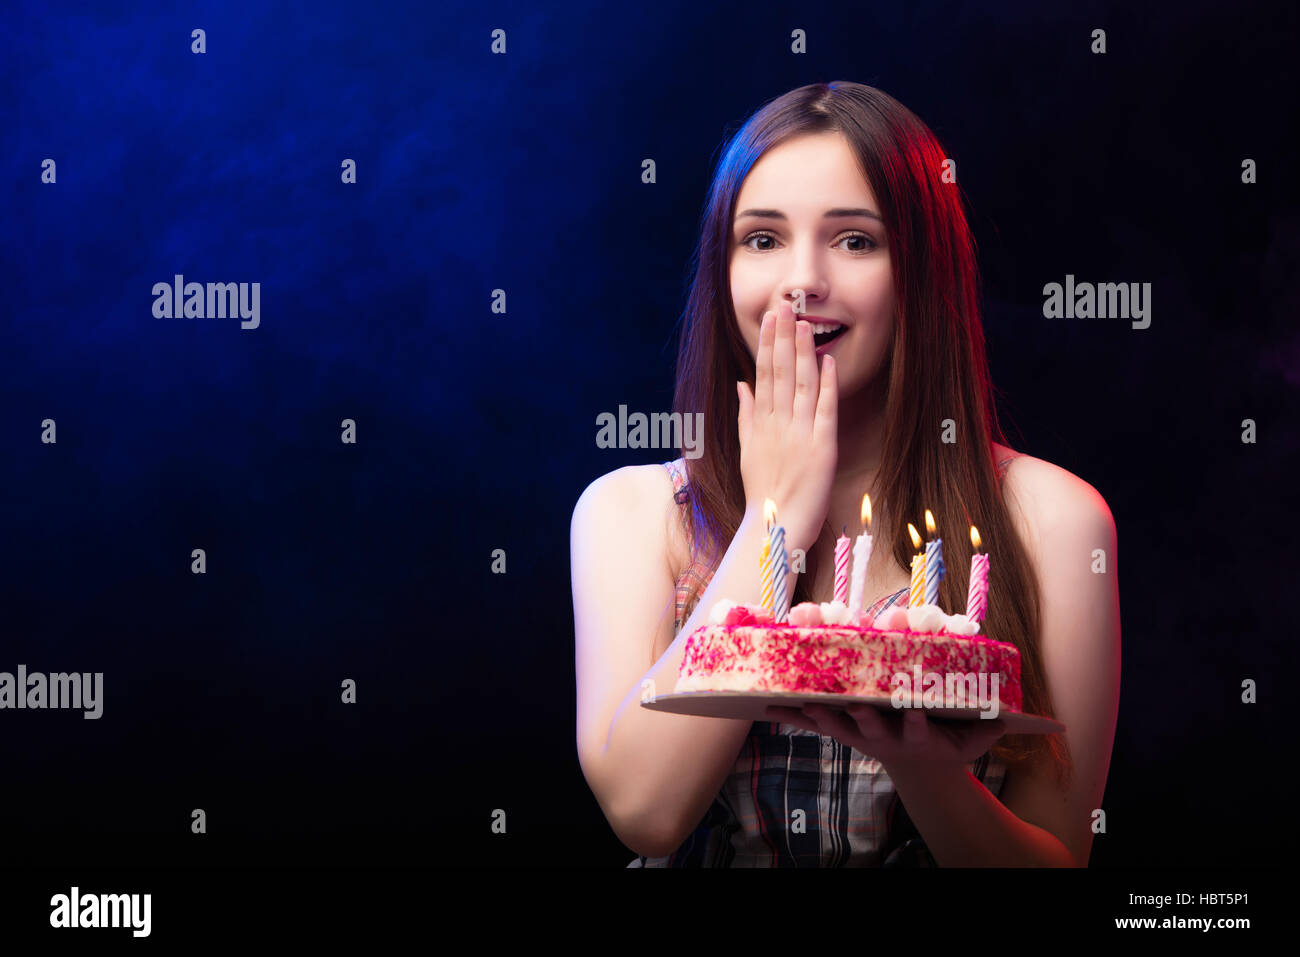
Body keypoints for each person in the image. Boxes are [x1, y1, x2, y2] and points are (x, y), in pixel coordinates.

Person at [571, 81, 1120, 866]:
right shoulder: (633, 513)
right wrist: (776, 516)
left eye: (855, 241)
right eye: (762, 239)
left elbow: (1057, 858)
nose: (803, 280)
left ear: (919, 272)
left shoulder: (1055, 519)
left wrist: (927, 768)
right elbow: (645, 812)